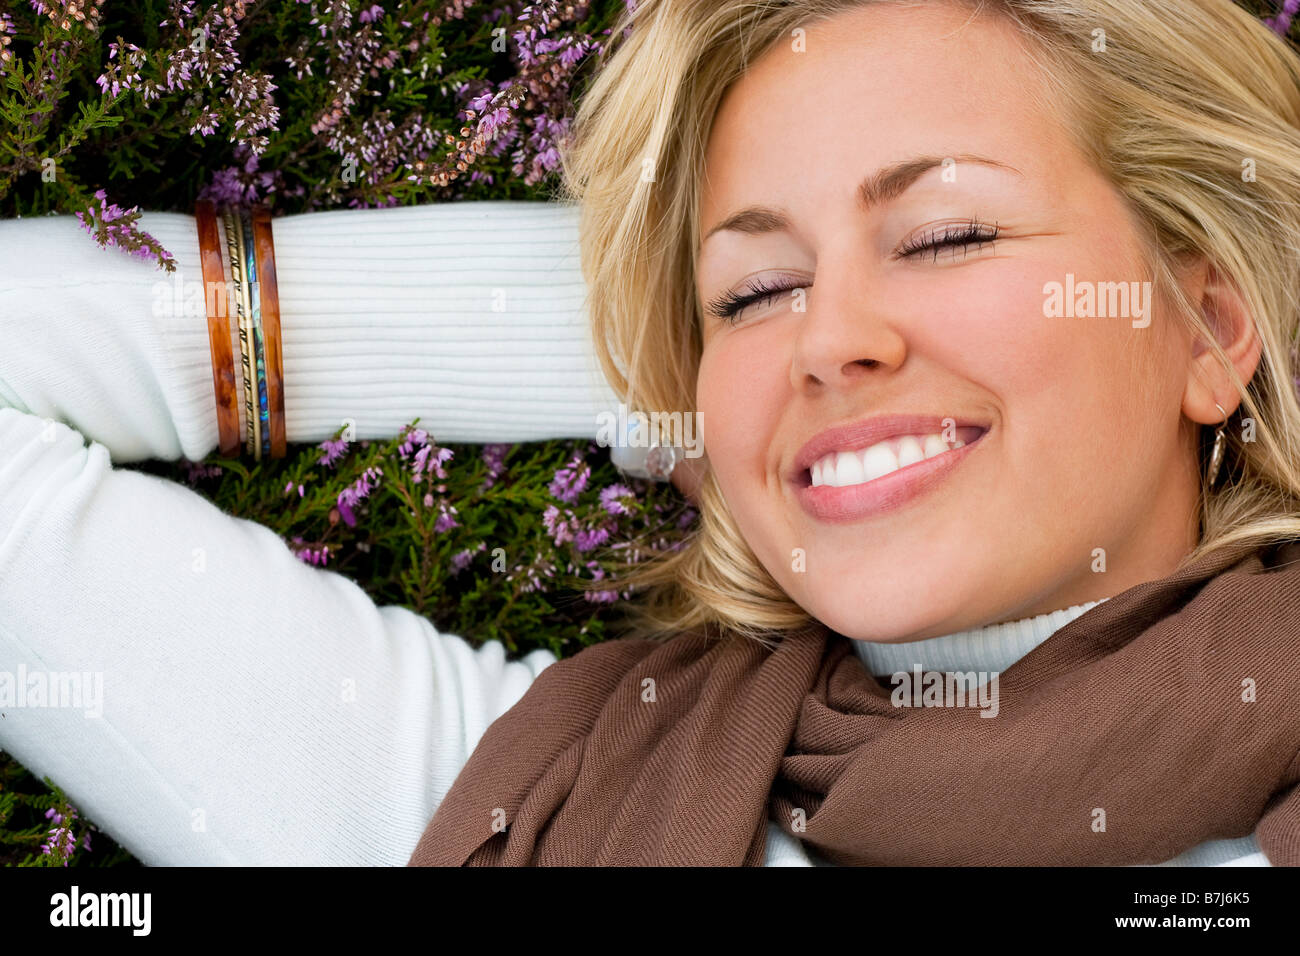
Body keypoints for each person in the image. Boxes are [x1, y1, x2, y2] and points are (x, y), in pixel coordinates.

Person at [3, 0, 1299, 866]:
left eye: (947, 236)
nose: (825, 338)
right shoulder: (535, 806)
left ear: (1206, 324)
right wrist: (651, 338)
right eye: (751, 292)